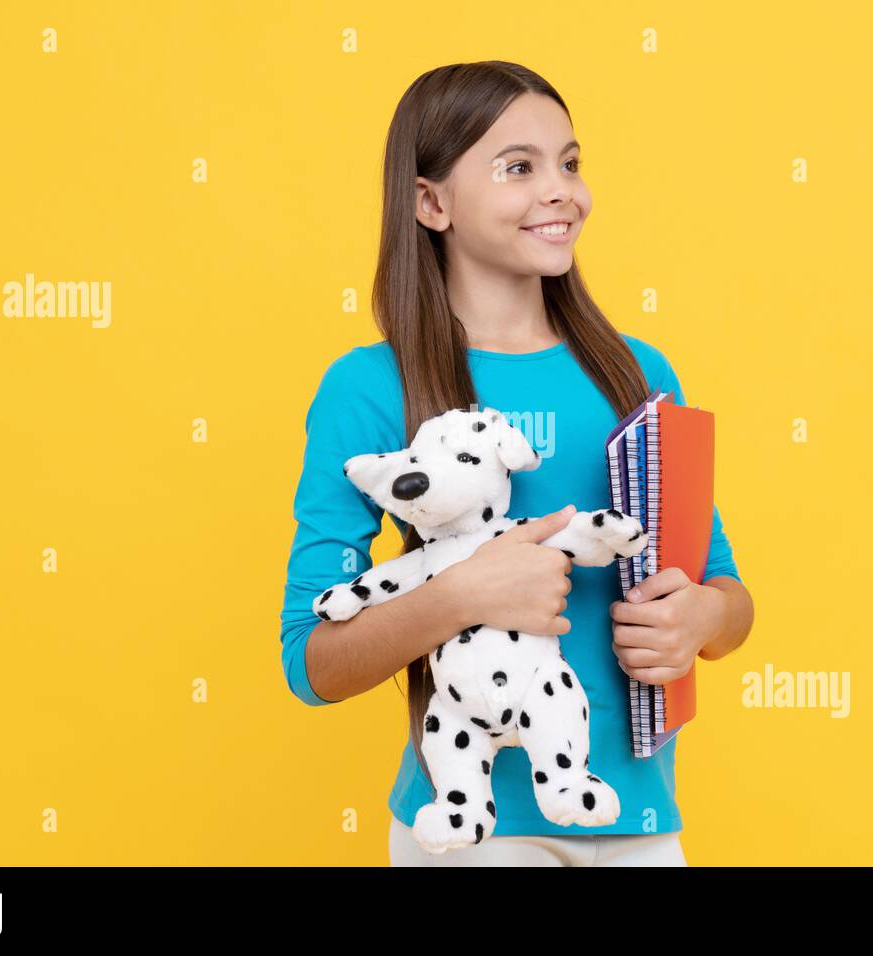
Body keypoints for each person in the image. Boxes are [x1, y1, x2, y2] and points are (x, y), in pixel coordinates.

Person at [279, 61, 755, 866]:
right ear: (431, 203)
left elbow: (725, 592)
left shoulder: (640, 377)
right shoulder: (366, 387)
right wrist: (457, 594)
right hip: (473, 832)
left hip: (640, 819)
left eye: (570, 163)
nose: (563, 190)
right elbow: (310, 662)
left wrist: (702, 619)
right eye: (518, 168)